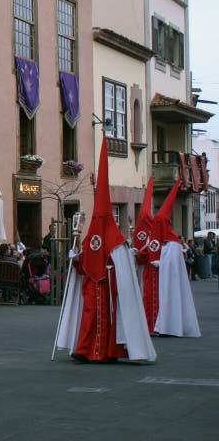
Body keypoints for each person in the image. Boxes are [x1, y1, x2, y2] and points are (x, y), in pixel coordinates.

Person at [56, 138, 156, 363]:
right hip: (93, 286)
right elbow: (80, 267)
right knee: (89, 315)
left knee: (108, 317)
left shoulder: (114, 239)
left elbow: (125, 266)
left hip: (109, 286)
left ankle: (107, 350)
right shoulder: (95, 236)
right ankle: (84, 348)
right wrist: (75, 258)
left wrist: (114, 265)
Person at [142, 179, 201, 337]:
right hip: (152, 276)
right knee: (148, 300)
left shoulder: (173, 242)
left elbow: (174, 265)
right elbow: (146, 253)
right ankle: (151, 326)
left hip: (166, 279)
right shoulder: (152, 237)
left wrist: (161, 263)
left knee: (166, 300)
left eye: (159, 223)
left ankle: (166, 325)